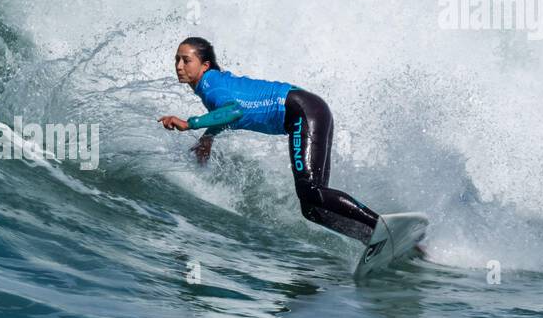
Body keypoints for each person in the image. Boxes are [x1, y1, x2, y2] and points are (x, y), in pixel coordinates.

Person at [158, 36, 380, 244]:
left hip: (301, 110)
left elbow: (233, 111)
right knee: (311, 209)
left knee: (310, 190)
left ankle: (381, 226)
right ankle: (371, 238)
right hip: (310, 109)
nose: (179, 65)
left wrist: (191, 123)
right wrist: (209, 137)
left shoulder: (210, 85)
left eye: (186, 60)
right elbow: (230, 110)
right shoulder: (212, 86)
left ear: (204, 65)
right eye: (176, 59)